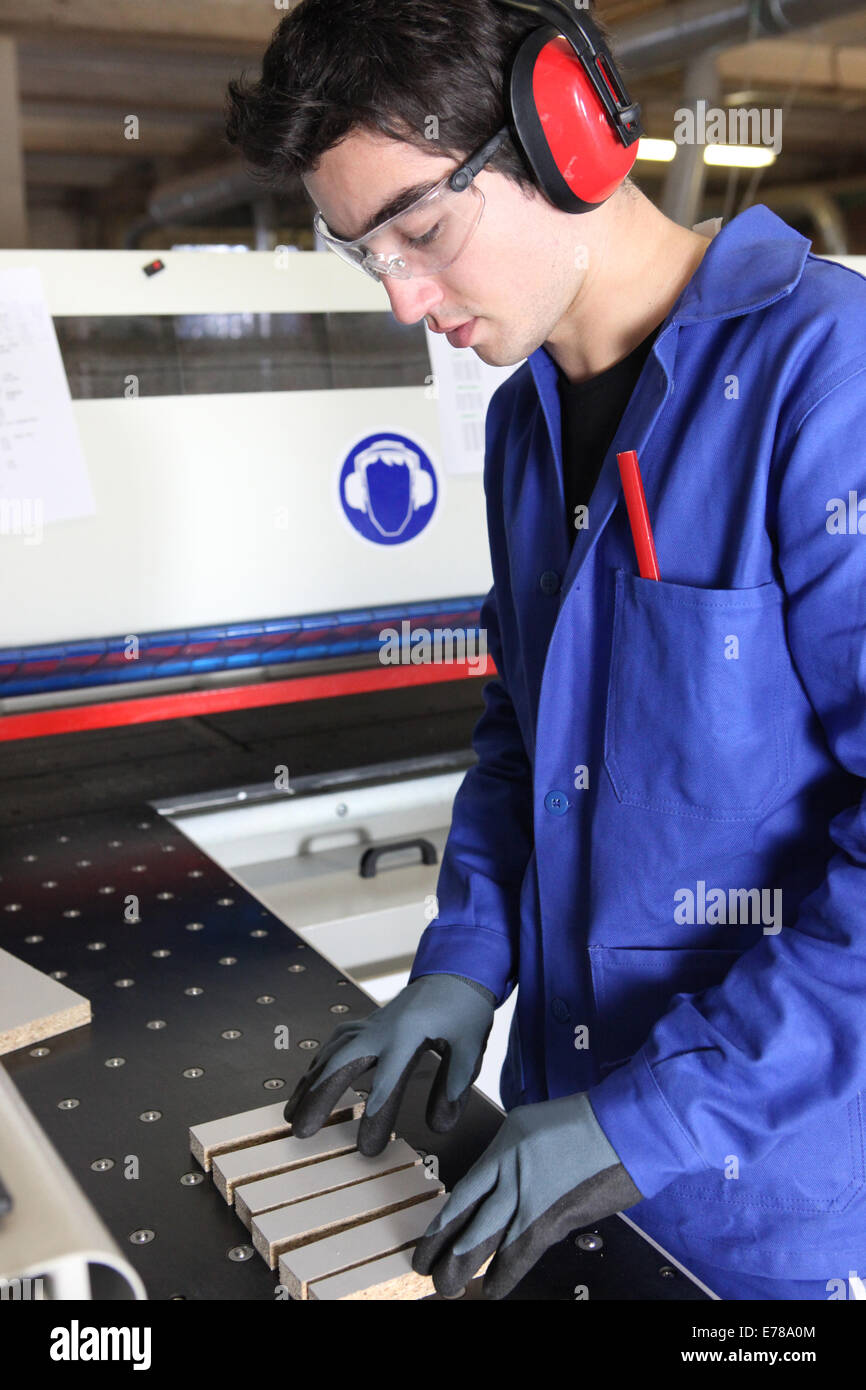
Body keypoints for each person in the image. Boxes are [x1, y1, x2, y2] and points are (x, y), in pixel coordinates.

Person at [226, 0, 866, 1301]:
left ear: (568, 137)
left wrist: (652, 1117)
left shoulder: (826, 382)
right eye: (366, 256)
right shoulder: (523, 422)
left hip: (766, 1206)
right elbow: (527, 739)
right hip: (541, 1147)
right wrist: (463, 962)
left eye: (420, 228)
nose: (405, 298)